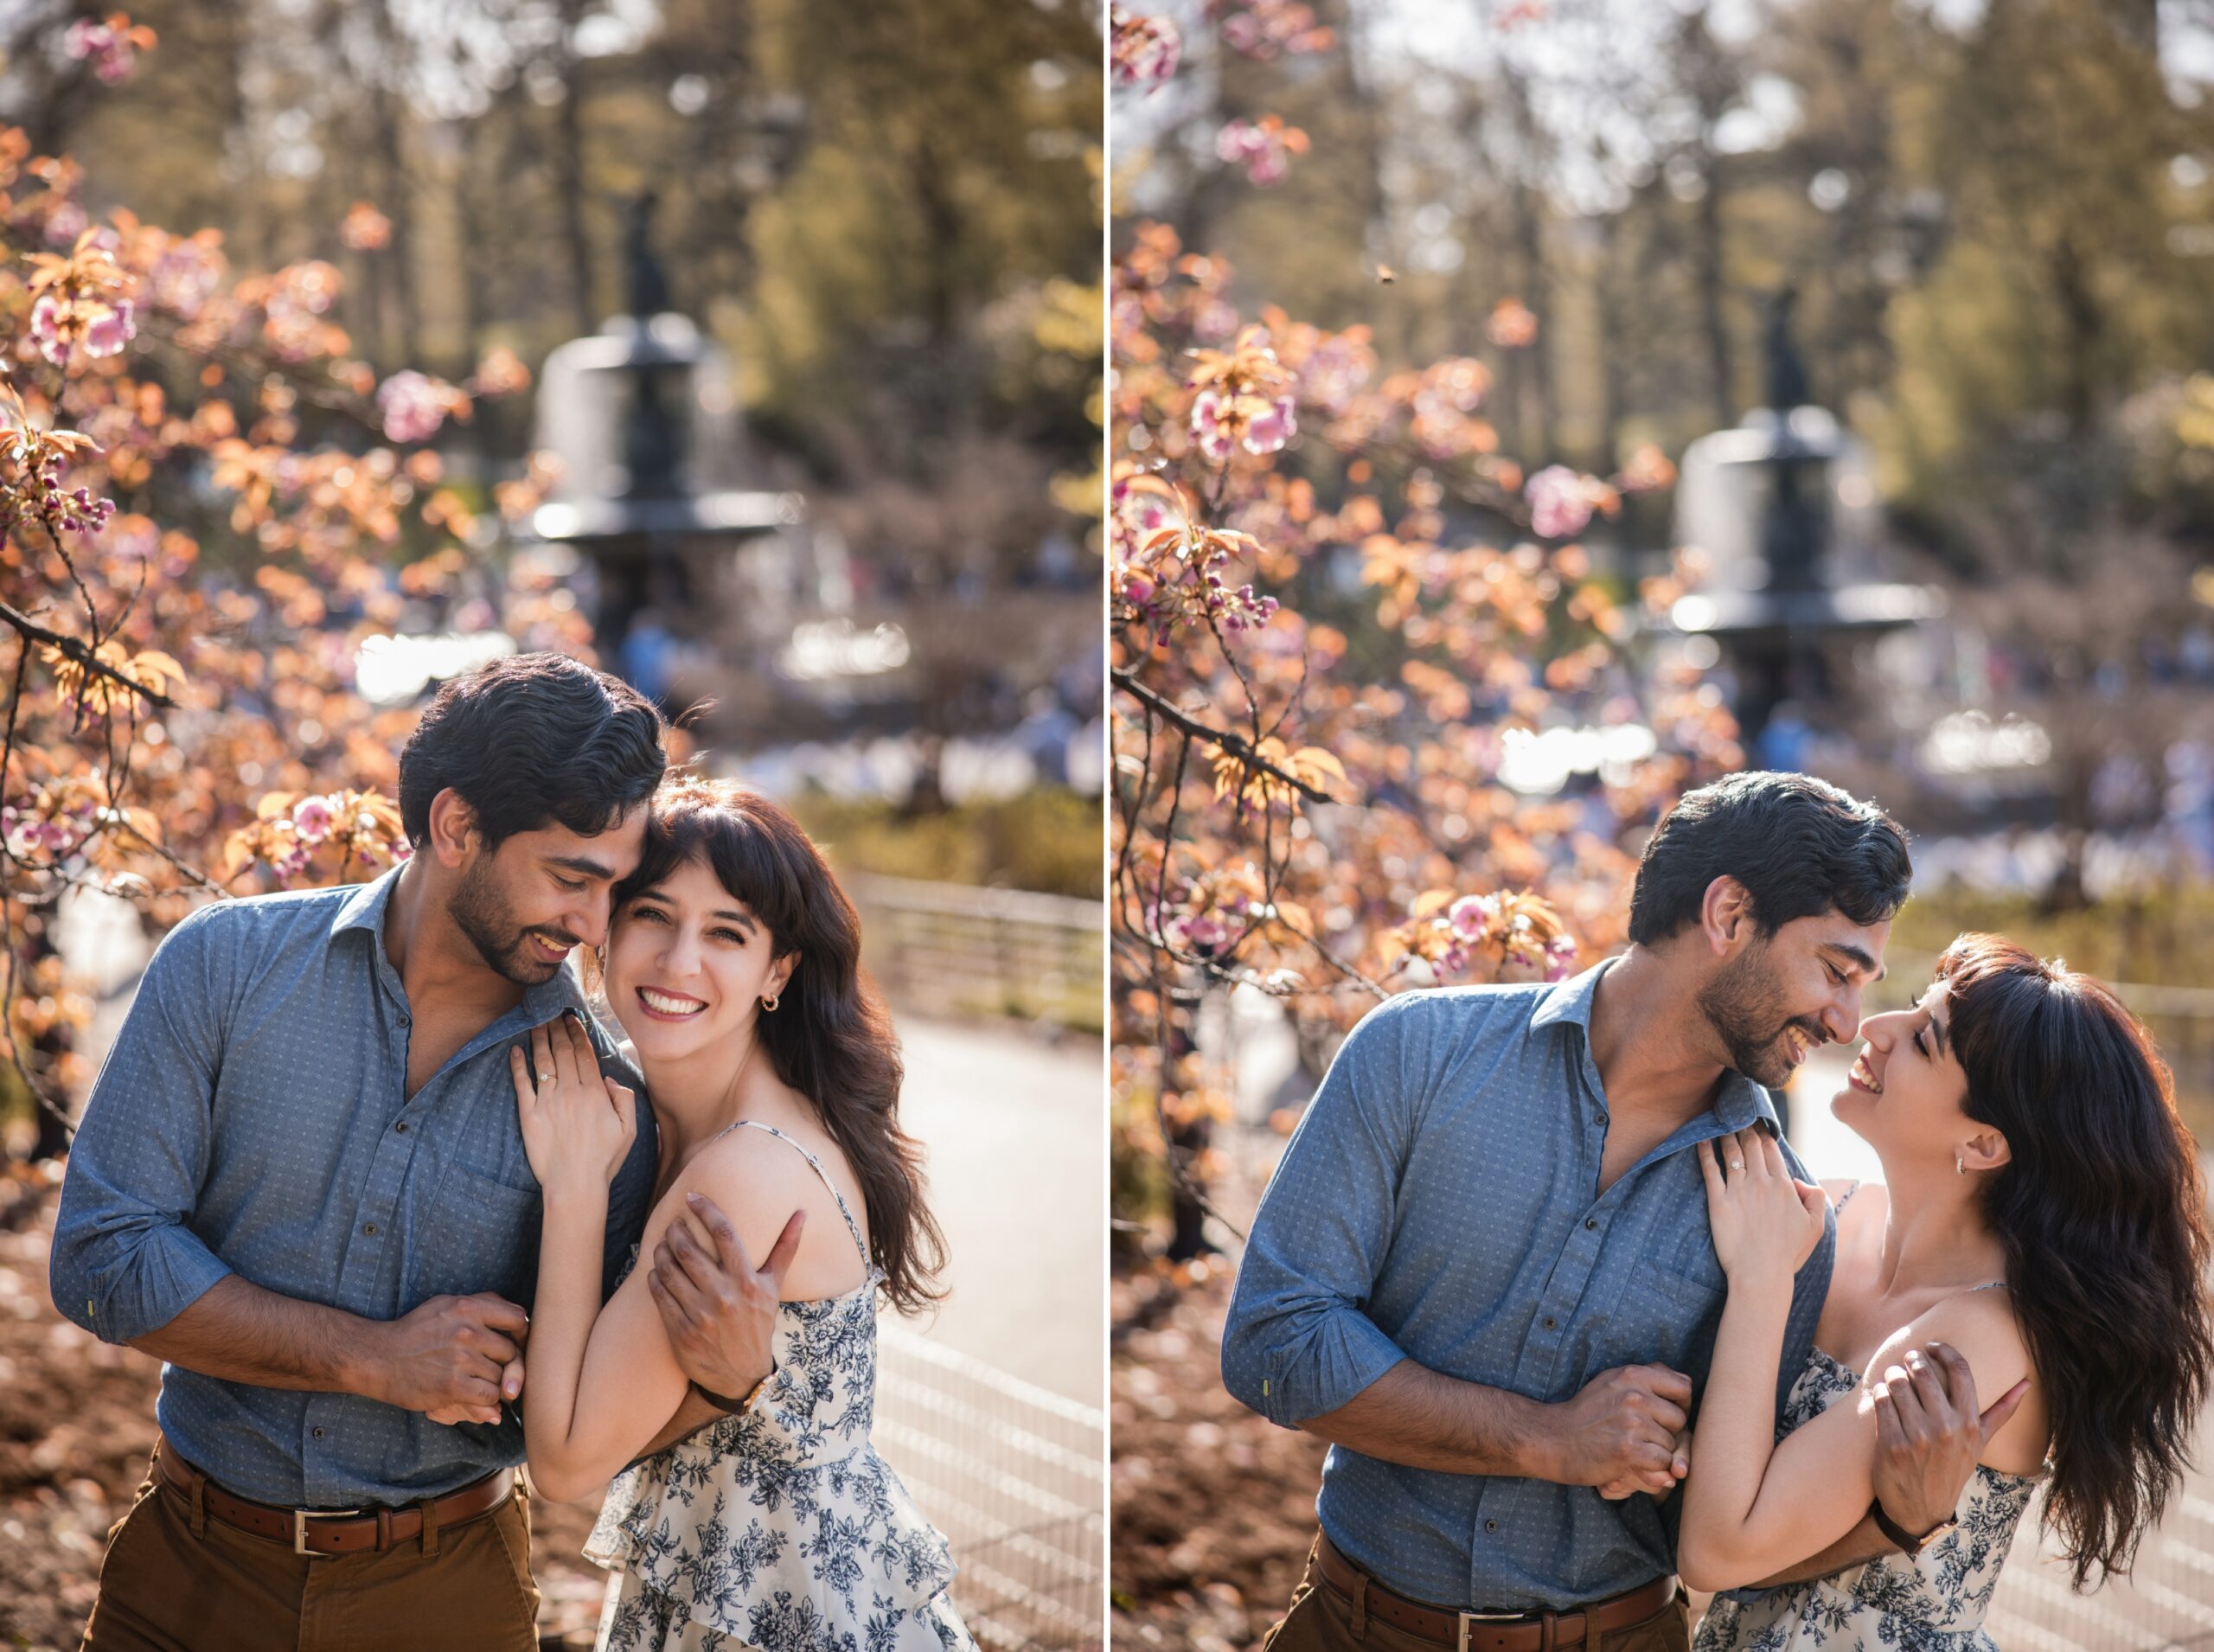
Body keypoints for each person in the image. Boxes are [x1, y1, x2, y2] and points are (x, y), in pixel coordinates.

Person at [51, 654, 793, 1652]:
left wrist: (720, 1381)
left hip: (447, 1600)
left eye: (613, 888)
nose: (591, 925)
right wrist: (373, 1357)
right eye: (570, 875)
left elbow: (566, 1431)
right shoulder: (223, 966)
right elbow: (101, 1258)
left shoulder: (607, 1106)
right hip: (187, 1577)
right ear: (455, 826)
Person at [1222, 772, 2022, 1652]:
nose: (1845, 1020)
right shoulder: (1416, 1054)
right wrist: (1544, 1438)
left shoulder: (1782, 1226)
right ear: (1726, 916)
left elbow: (1714, 1529)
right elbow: (1273, 1340)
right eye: (1836, 969)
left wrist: (1900, 1519)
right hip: (1350, 1627)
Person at [508, 775, 973, 1651]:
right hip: (725, 1572)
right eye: (653, 914)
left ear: (777, 971)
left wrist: (574, 1186)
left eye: (727, 932)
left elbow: (566, 1461)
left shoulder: (743, 1169)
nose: (681, 961)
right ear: (605, 927)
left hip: (777, 1600)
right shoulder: (688, 1120)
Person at [1682, 937, 2213, 1649]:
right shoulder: (1827, 1211)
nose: (1873, 1029)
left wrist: (1760, 1282)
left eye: (1923, 1041)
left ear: (1986, 1144)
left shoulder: (1979, 1335)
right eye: (1909, 1009)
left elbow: (1719, 1550)